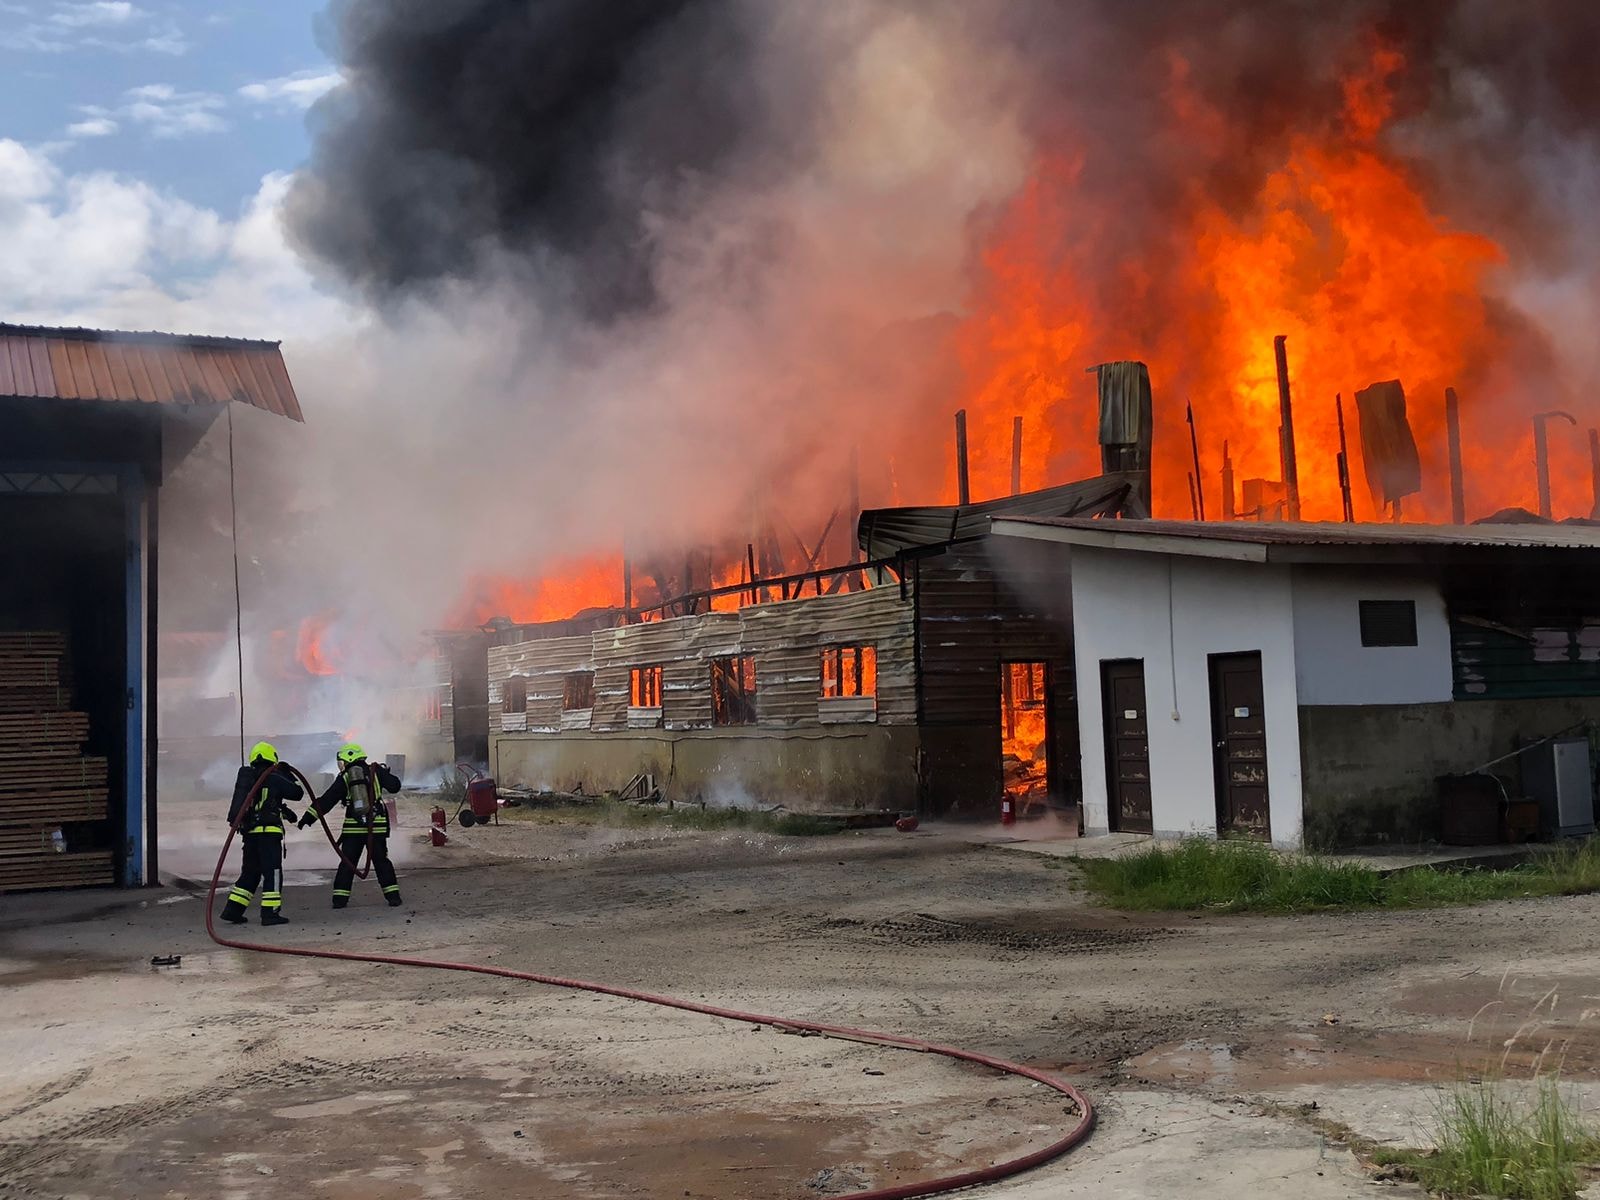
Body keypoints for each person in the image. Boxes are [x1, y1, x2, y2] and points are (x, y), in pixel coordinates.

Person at [300, 743, 404, 908]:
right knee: (381, 862)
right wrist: (384, 773)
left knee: (348, 863)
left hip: (353, 829)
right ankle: (393, 897)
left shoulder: (346, 776)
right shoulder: (375, 771)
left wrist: (308, 817)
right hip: (376, 827)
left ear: (348, 758)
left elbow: (328, 800)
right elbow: (395, 786)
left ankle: (339, 900)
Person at [219, 741, 302, 927]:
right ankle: (270, 913)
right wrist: (287, 773)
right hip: (269, 835)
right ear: (272, 758)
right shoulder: (274, 777)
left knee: (250, 872)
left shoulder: (249, 779)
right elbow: (297, 793)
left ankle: (233, 910)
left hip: (250, 834)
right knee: (273, 872)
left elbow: (264, 804)